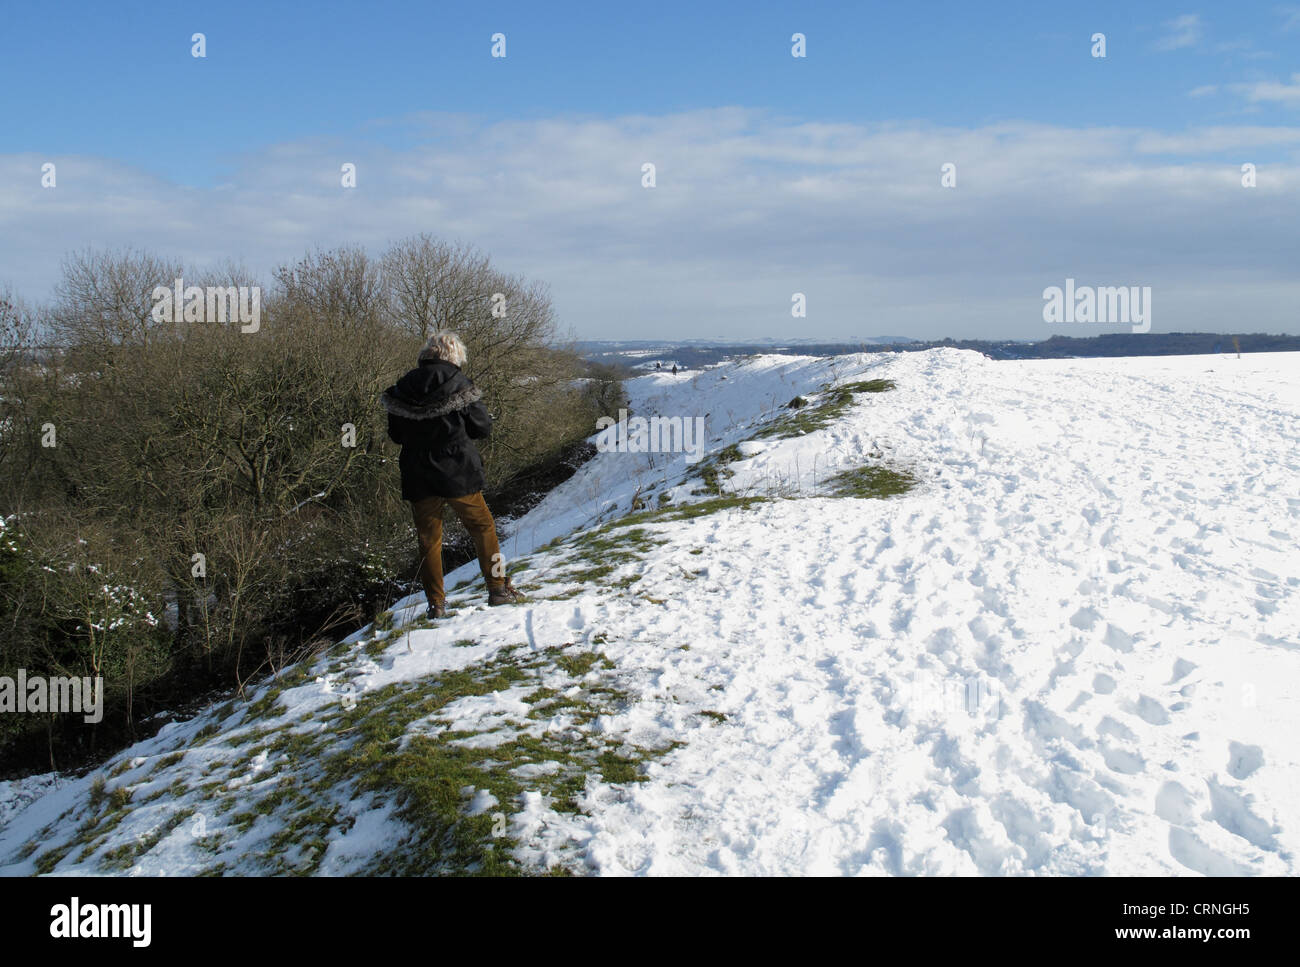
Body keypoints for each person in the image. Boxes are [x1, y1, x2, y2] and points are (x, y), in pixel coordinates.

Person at [381, 331, 524, 619]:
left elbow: (396, 435)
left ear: (426, 354)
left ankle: (436, 605)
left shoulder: (402, 388)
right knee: (483, 529)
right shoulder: (460, 384)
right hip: (459, 472)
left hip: (418, 474)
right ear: (455, 356)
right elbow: (481, 428)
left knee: (428, 540)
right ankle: (497, 590)